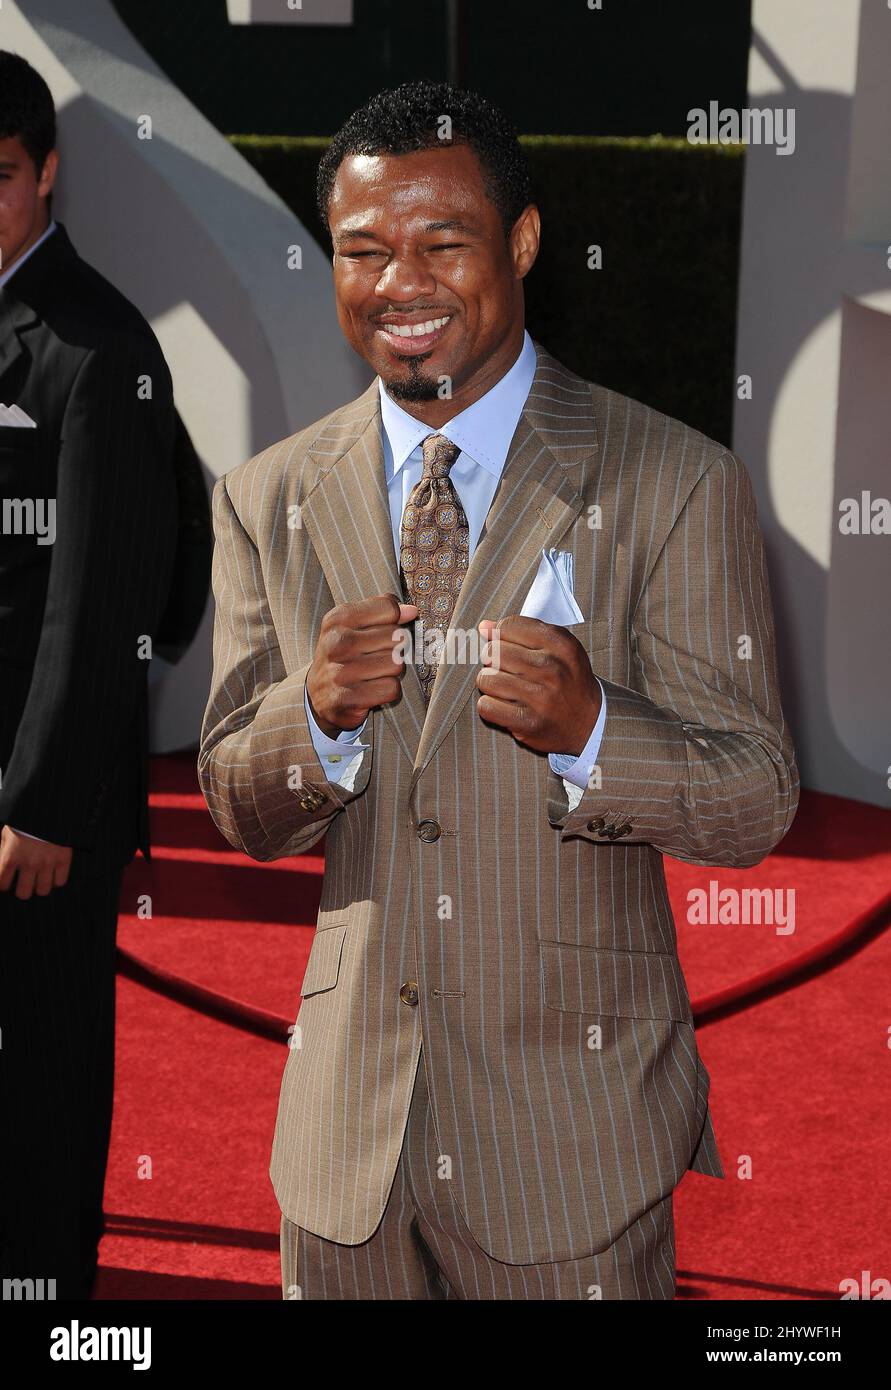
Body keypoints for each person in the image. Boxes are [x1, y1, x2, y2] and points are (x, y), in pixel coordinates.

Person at [199, 80, 799, 1301]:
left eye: (442, 242)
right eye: (362, 250)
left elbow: (757, 800)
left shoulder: (675, 478)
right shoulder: (270, 493)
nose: (399, 282)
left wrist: (594, 733)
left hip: (571, 1148)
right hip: (343, 1157)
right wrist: (311, 719)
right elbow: (231, 802)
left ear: (521, 243)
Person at [0, 51, 178, 1299]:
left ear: (47, 175)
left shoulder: (100, 343)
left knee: (44, 1085)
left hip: (37, 816)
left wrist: (50, 802)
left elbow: (111, 596)